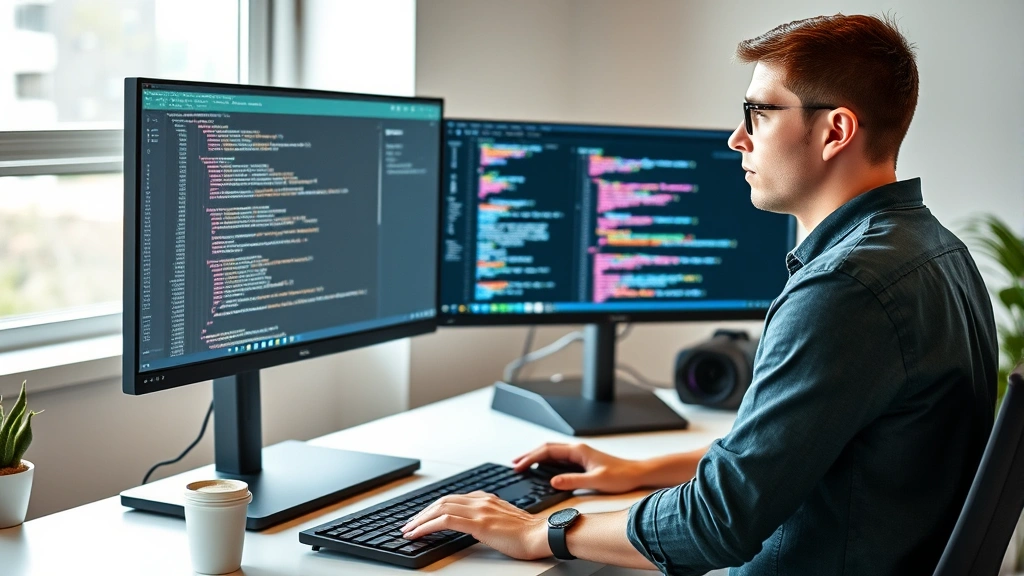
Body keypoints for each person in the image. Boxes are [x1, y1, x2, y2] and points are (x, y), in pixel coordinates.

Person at [401, 13, 998, 575]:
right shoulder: (935, 249)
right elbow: (801, 451)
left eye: (758, 113)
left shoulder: (843, 288)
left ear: (835, 130)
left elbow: (718, 523)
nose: (736, 137)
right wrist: (643, 470)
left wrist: (543, 531)